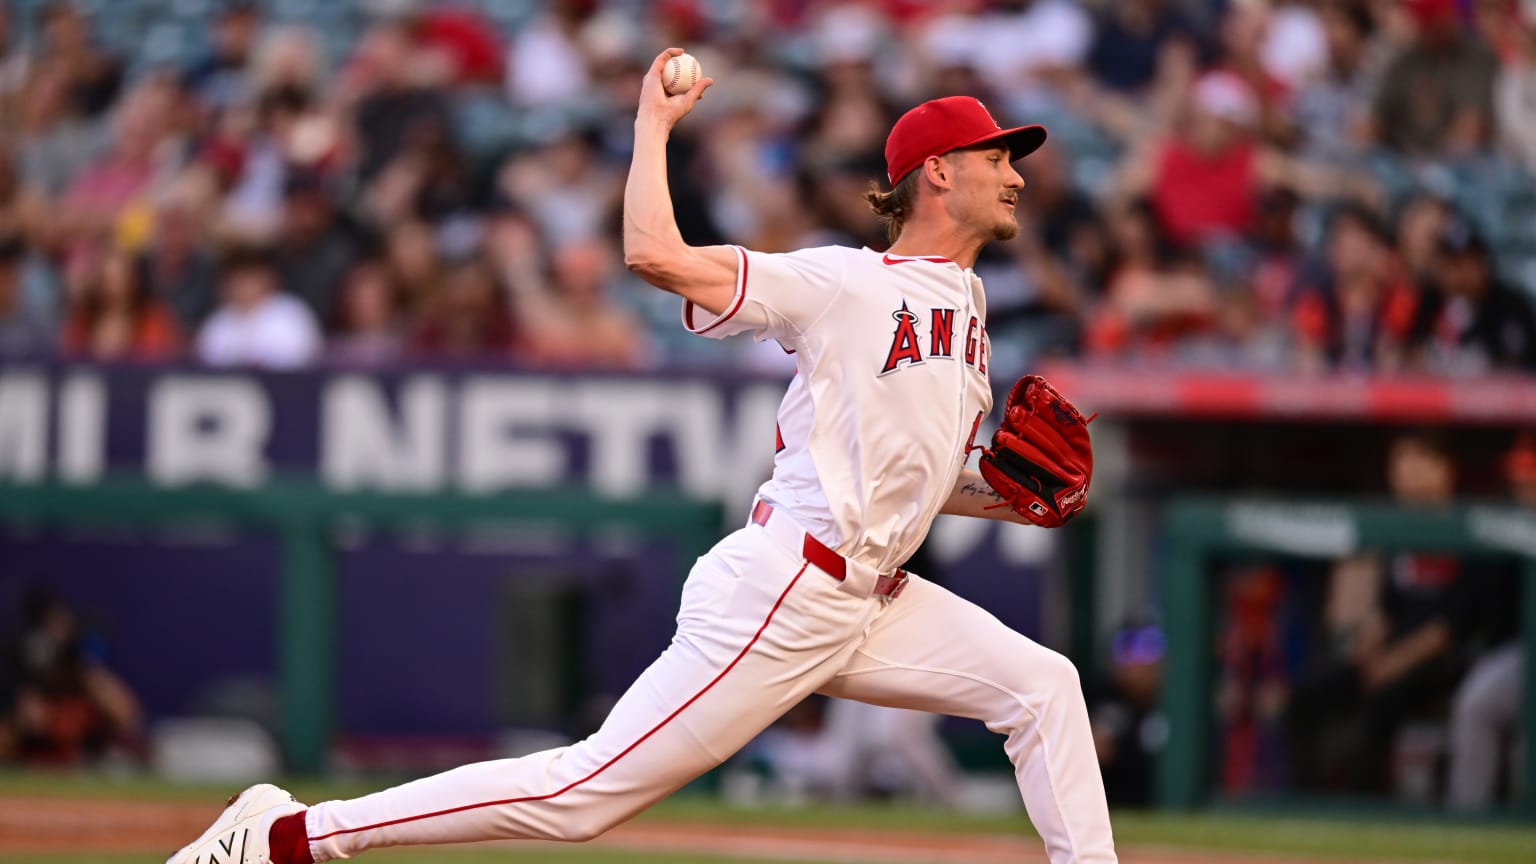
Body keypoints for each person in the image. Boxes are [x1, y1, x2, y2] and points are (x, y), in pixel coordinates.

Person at [168, 48, 1118, 864]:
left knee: (1045, 687)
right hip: (788, 587)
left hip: (873, 591)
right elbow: (651, 253)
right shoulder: (844, 283)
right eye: (999, 155)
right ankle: (287, 837)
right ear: (939, 173)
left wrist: (1008, 498)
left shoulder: (975, 308)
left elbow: (906, 481)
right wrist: (653, 126)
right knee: (583, 796)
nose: (1018, 174)